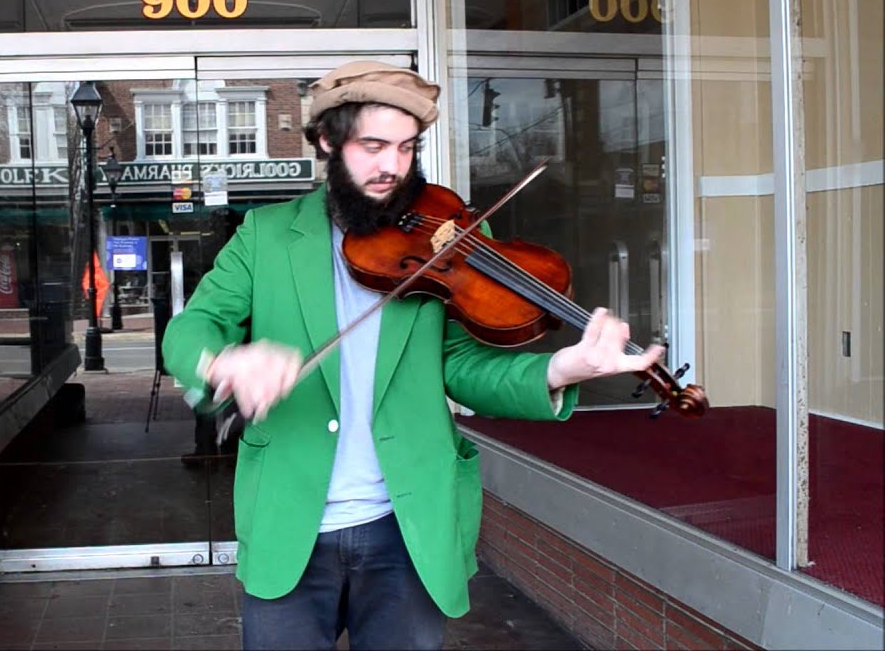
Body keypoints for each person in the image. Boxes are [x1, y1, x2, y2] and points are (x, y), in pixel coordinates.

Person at [160, 61, 664, 650]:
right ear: (327, 140)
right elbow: (193, 326)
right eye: (372, 145)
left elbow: (464, 367)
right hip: (289, 523)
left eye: (406, 147)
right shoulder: (265, 235)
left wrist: (561, 369)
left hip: (406, 527)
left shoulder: (443, 238)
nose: (392, 166)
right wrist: (223, 363)